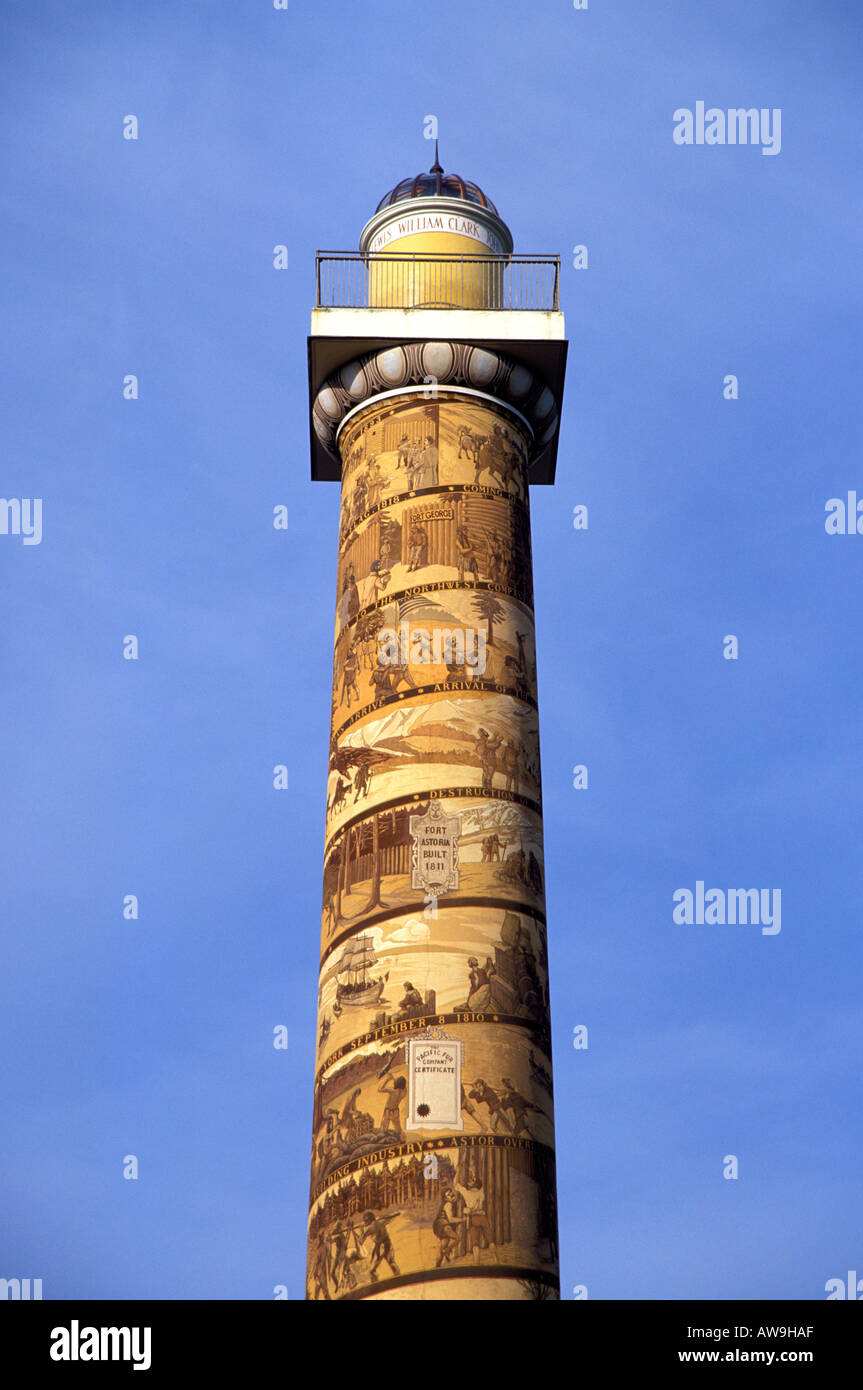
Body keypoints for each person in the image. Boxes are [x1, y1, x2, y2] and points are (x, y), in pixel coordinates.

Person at [453, 1175, 499, 1264]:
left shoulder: (466, 1193)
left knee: (475, 1242)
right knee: (491, 1240)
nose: (468, 1182)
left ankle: (477, 1262)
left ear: (472, 1184)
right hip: (482, 1217)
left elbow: (455, 1184)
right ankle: (496, 1260)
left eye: (470, 1181)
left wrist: (457, 1173)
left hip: (473, 1219)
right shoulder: (481, 1193)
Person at [361, 1211, 400, 1281]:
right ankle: (399, 1278)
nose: (365, 1223)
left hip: (380, 1247)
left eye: (365, 1221)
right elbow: (391, 1218)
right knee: (392, 1263)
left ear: (369, 1220)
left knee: (371, 1270)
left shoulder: (369, 1229)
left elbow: (360, 1241)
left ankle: (375, 1283)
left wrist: (361, 1231)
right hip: (388, 1244)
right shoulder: (381, 1222)